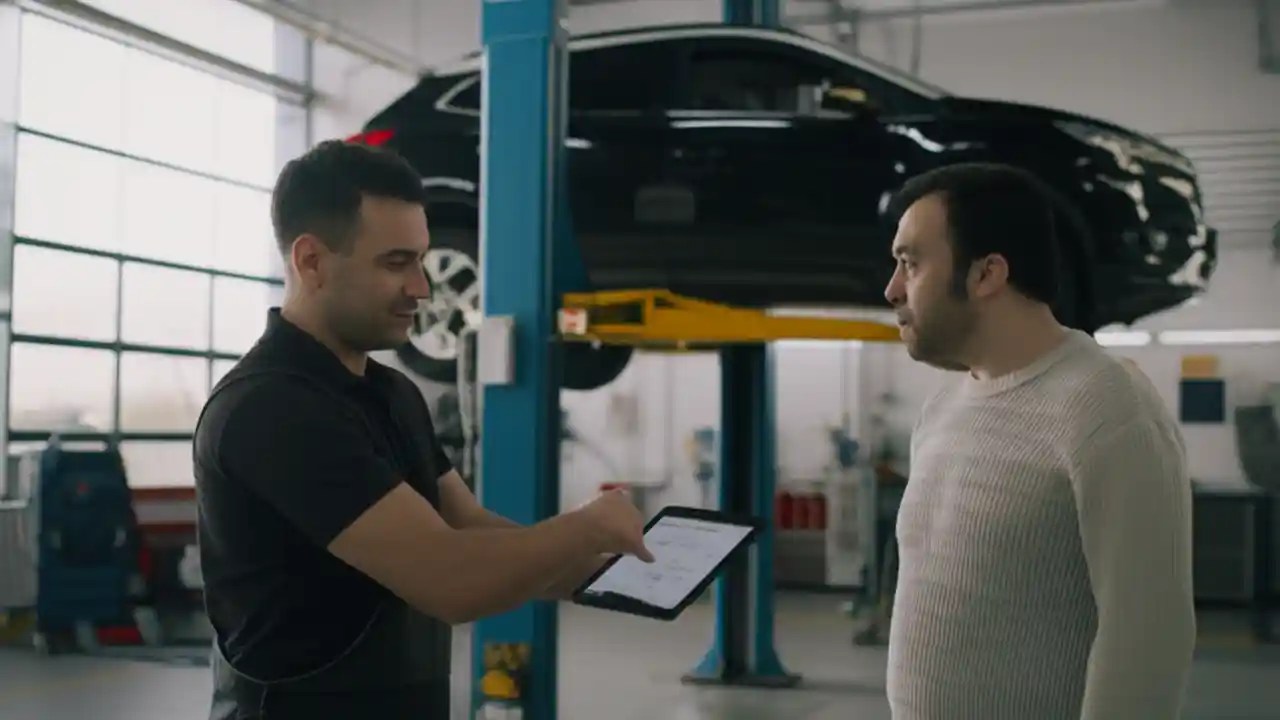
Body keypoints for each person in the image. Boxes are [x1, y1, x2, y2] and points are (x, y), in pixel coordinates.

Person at [193, 140, 654, 720]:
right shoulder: (270, 409)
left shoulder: (392, 393)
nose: (422, 288)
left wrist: (617, 574)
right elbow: (447, 578)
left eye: (421, 260)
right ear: (311, 261)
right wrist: (585, 528)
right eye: (395, 263)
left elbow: (469, 528)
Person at [881, 162, 1196, 719]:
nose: (892, 289)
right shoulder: (943, 406)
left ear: (987, 274)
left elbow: (1149, 639)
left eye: (911, 263)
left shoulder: (1107, 406)